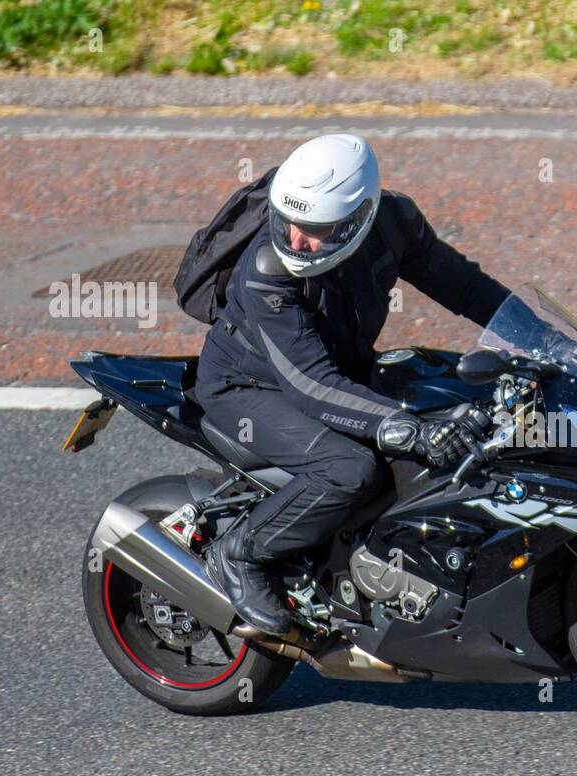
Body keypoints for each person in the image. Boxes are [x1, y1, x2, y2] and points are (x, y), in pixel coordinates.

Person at [195, 133, 510, 637]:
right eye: (288, 221)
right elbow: (309, 385)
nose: (295, 239)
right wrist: (402, 426)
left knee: (461, 404)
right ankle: (240, 551)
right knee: (352, 469)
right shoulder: (266, 272)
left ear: (359, 218)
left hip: (337, 368)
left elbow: (466, 287)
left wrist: (543, 340)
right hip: (249, 387)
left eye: (314, 229)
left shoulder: (395, 222)